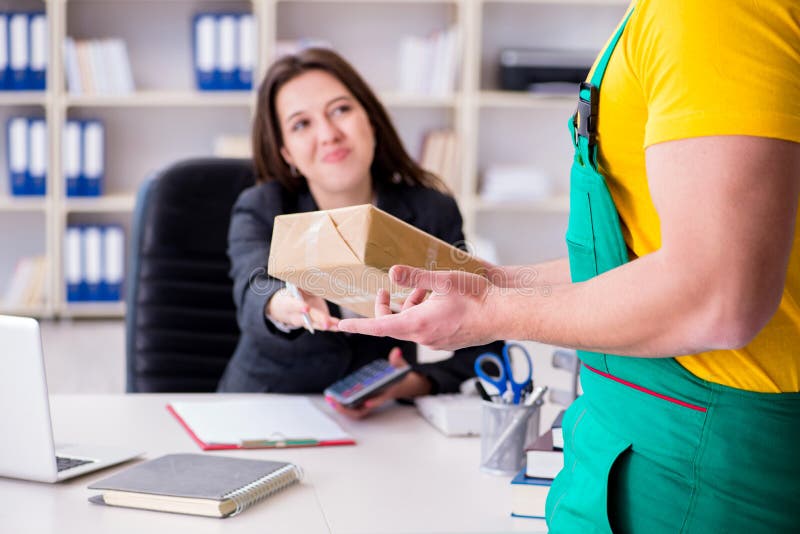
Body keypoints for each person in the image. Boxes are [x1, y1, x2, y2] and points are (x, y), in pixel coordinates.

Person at [339, 1, 800, 531]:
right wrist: (495, 282)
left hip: (697, 469)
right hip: (639, 438)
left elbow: (717, 296)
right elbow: (638, 258)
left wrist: (494, 312)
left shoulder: (711, 12)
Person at [216, 48, 504, 418]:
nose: (329, 134)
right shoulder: (262, 207)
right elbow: (252, 285)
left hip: (380, 422)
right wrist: (287, 304)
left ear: (370, 119)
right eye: (301, 124)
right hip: (267, 409)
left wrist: (412, 382)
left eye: (340, 110)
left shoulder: (431, 212)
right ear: (286, 152)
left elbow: (484, 341)